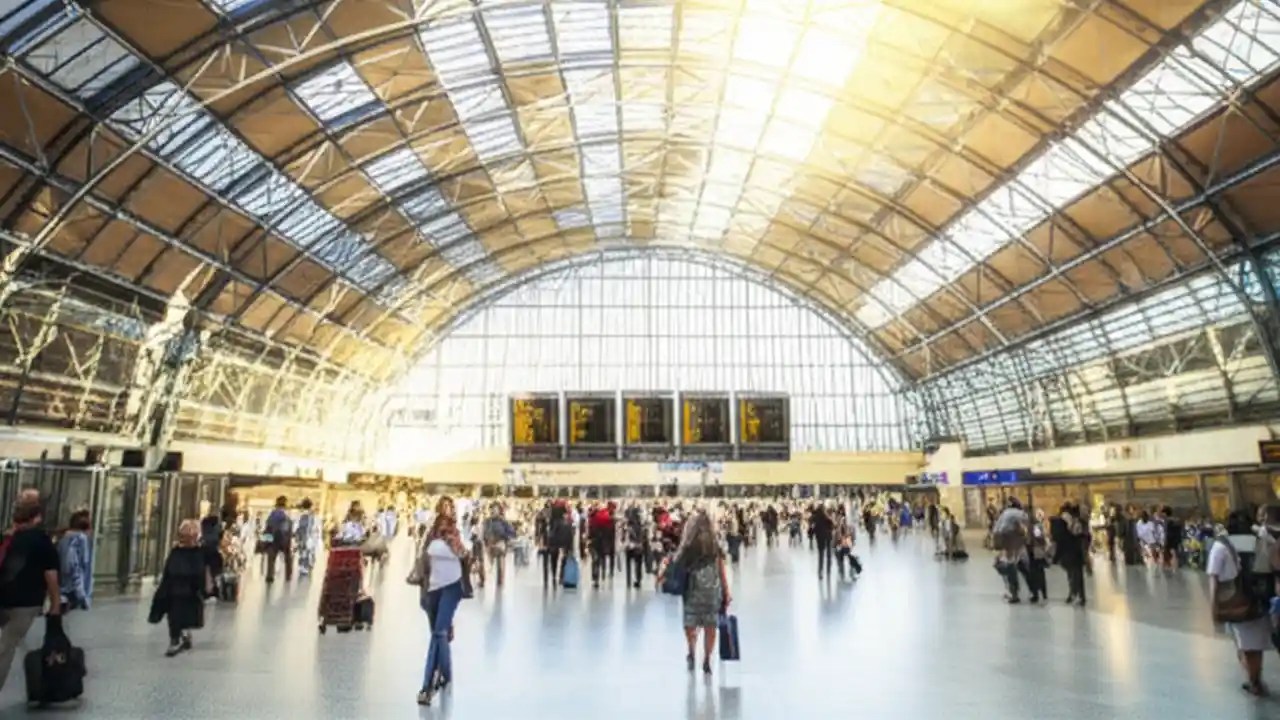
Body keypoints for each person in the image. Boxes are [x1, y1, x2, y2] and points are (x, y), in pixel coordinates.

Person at [0, 492, 61, 691]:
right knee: (6, 648)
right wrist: (55, 604)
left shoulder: (8, 538)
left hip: (4, 597)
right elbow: (51, 576)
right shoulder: (42, 542)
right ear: (38, 518)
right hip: (26, 603)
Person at [659, 512, 730, 676]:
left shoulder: (688, 546)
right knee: (710, 626)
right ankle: (706, 659)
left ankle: (691, 649)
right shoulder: (714, 546)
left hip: (692, 591)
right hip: (712, 591)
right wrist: (726, 591)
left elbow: (676, 565)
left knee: (690, 623)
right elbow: (721, 571)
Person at [1207, 525, 1272, 696]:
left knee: (1244, 646)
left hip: (1235, 602)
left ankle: (1254, 682)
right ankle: (1256, 679)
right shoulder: (1261, 540)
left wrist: (1214, 608)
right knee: (1255, 646)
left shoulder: (1220, 546)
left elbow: (1213, 579)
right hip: (1259, 599)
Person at [418, 497, 470, 707]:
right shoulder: (429, 535)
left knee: (439, 633)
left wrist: (450, 543)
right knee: (439, 634)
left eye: (450, 508)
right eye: (443, 508)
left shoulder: (455, 534)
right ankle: (446, 674)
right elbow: (423, 559)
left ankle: (427, 687)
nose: (446, 513)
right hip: (432, 588)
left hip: (451, 587)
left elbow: (464, 554)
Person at [150, 519, 212, 657]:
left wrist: (207, 584)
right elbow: (168, 570)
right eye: (184, 536)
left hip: (191, 590)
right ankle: (175, 639)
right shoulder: (176, 551)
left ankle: (183, 635)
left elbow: (205, 569)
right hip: (175, 588)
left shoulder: (200, 551)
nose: (187, 539)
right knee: (174, 615)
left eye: (190, 536)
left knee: (186, 615)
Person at [58, 509, 93, 614]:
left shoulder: (64, 538)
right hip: (75, 587)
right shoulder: (81, 539)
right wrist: (82, 594)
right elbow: (81, 564)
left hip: (64, 584)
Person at [482, 504, 514, 587]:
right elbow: (484, 533)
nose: (493, 511)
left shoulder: (503, 521)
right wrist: (485, 541)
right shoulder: (487, 521)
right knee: (487, 564)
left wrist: (505, 538)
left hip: (500, 543)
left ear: (499, 511)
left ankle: (500, 581)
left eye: (496, 509)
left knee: (501, 563)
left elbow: (511, 532)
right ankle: (484, 580)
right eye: (492, 509)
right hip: (490, 544)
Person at [263, 496, 293, 583]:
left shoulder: (272, 514)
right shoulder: (286, 516)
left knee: (271, 558)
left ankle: (270, 575)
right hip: (283, 539)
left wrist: (265, 540)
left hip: (272, 539)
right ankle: (288, 575)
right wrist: (288, 539)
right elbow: (287, 529)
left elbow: (268, 528)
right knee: (288, 558)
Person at [295, 498, 318, 577]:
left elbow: (299, 527)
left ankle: (303, 565)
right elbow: (305, 527)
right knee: (305, 552)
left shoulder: (303, 514)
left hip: (304, 536)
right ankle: (303, 566)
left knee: (303, 552)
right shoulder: (307, 515)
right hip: (307, 536)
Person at [812, 504, 834, 580]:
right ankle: (828, 569)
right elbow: (832, 525)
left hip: (820, 538)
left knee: (821, 555)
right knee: (828, 554)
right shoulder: (826, 517)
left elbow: (813, 527)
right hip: (827, 537)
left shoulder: (815, 517)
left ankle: (820, 571)